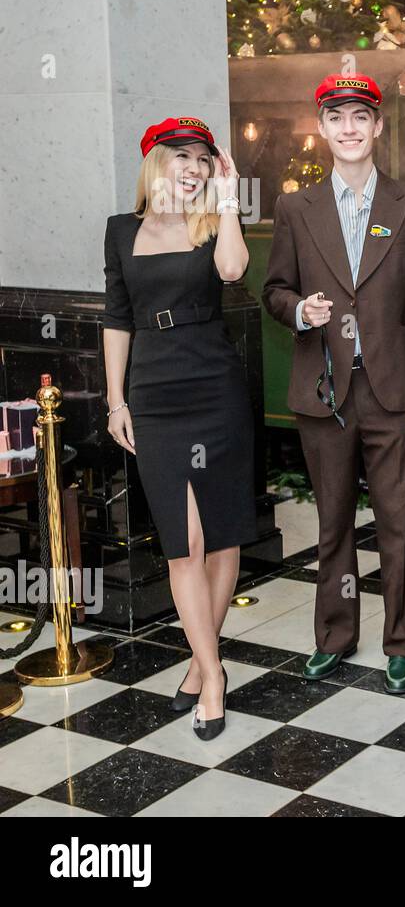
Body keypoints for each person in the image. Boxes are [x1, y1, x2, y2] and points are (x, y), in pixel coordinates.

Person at [262, 74, 405, 694]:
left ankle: (404, 641)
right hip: (324, 391)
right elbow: (274, 288)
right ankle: (335, 636)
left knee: (398, 518)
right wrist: (297, 311)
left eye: (360, 117)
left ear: (378, 127)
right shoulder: (295, 207)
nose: (349, 129)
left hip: (393, 388)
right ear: (323, 129)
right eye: (337, 118)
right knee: (332, 520)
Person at [103, 117, 255, 741]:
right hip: (155, 394)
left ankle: (202, 666)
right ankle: (213, 670)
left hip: (214, 386)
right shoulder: (120, 230)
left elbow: (232, 271)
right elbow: (117, 316)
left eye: (200, 157)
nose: (190, 167)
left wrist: (228, 197)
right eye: (179, 156)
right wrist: (115, 400)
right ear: (153, 163)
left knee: (220, 535)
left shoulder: (213, 221)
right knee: (182, 541)